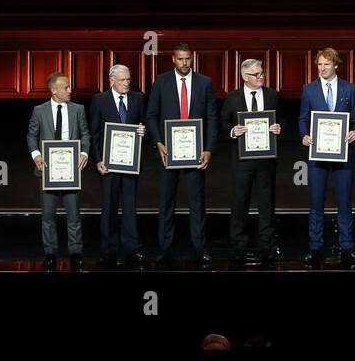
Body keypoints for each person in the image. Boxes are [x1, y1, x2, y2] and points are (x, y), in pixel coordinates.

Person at [145, 42, 219, 266]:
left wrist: (208, 148)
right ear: (173, 60)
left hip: (196, 152)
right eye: (181, 59)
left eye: (188, 59)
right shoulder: (161, 81)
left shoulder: (205, 83)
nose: (185, 63)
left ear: (192, 58)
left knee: (197, 202)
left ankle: (200, 248)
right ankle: (165, 248)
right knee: (166, 201)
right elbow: (151, 115)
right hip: (169, 153)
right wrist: (158, 142)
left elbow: (212, 117)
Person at [298, 47, 355, 268]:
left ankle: (347, 247)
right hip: (317, 155)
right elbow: (302, 119)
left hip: (344, 155)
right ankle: (315, 248)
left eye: (326, 64)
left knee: (344, 203)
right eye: (319, 64)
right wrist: (304, 135)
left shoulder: (350, 88)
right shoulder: (308, 90)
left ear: (336, 65)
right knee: (316, 202)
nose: (322, 68)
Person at [221, 58, 283, 265]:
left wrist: (278, 128)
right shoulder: (232, 97)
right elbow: (222, 123)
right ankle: (238, 246)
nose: (261, 77)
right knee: (240, 202)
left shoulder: (272, 95)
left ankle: (268, 245)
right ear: (245, 77)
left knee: (267, 203)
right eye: (257, 75)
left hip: (266, 159)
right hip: (242, 160)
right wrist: (232, 131)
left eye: (262, 73)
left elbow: (282, 121)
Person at [26, 72, 89, 271]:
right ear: (54, 90)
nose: (70, 91)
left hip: (71, 170)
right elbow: (31, 135)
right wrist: (36, 155)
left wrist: (85, 153)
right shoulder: (39, 110)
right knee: (48, 216)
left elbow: (85, 134)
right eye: (66, 87)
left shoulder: (78, 109)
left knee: (73, 215)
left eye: (70, 87)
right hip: (46, 170)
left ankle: (75, 253)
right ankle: (50, 254)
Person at [88, 63, 146, 270]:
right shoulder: (99, 100)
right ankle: (109, 250)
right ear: (111, 80)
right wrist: (97, 160)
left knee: (130, 207)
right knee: (109, 207)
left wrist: (142, 130)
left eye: (129, 80)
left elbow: (142, 125)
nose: (127, 84)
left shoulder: (138, 99)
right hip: (109, 165)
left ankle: (132, 247)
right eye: (122, 80)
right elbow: (94, 133)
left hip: (130, 163)